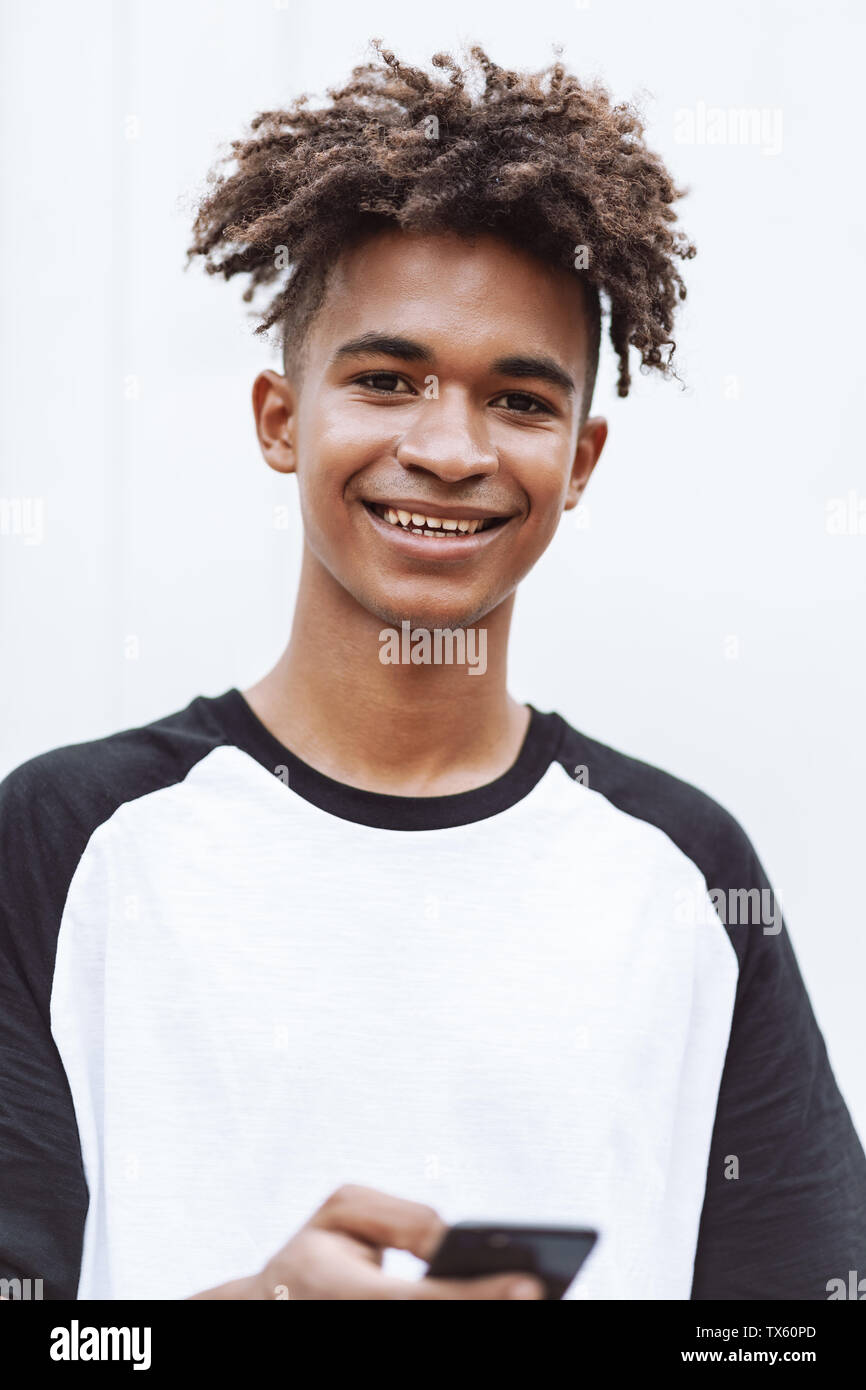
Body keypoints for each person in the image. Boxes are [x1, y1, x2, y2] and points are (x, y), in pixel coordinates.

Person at [1, 42, 864, 1302]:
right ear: (280, 415)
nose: (447, 447)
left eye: (518, 400)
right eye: (385, 379)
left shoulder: (688, 874)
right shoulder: (65, 841)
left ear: (578, 460)